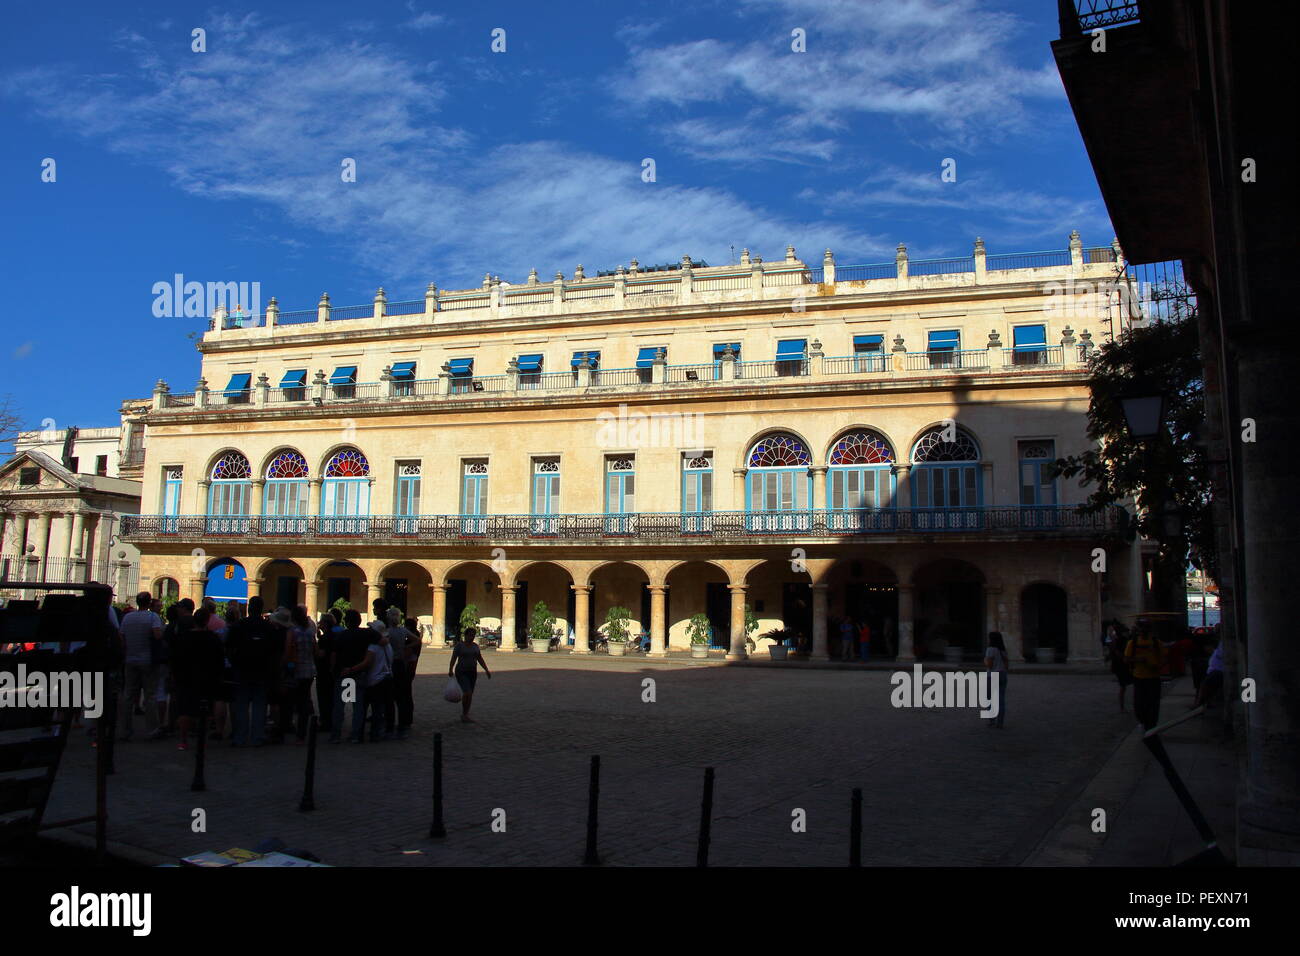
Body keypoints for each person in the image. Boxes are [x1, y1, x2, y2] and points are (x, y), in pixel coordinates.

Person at [172, 607, 226, 750]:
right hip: (207, 678)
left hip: (186, 677)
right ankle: (202, 738)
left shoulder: (183, 638)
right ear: (207, 621)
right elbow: (220, 659)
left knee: (185, 710)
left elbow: (176, 659)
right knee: (206, 710)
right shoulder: (213, 638)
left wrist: (175, 676)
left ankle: (183, 740)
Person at [227, 596, 277, 746]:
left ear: (249, 608)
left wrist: (234, 662)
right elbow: (273, 650)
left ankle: (240, 737)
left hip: (242, 669)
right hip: (262, 669)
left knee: (241, 704)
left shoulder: (239, 625)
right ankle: (257, 736)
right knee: (260, 705)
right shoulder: (268, 627)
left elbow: (229, 647)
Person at [118, 591, 162, 741]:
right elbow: (157, 636)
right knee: (150, 695)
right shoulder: (152, 617)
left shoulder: (128, 617)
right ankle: (152, 729)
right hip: (147, 659)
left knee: (128, 695)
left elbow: (122, 637)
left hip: (130, 659)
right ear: (149, 603)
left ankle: (125, 729)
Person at [341, 623, 393, 742]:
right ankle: (376, 734)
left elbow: (367, 663)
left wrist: (350, 669)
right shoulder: (388, 645)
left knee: (362, 708)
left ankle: (360, 734)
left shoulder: (373, 646)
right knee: (378, 709)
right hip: (385, 678)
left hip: (374, 680)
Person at [331, 609, 371, 743]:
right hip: (358, 672)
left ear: (346, 622)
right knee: (357, 706)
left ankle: (336, 735)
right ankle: (355, 735)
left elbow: (334, 655)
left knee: (339, 706)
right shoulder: (365, 634)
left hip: (344, 674)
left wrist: (333, 670)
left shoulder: (342, 635)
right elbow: (382, 640)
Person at [279, 605, 318, 743]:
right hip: (308, 670)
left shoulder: (292, 631)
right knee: (304, 702)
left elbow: (288, 650)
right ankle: (301, 734)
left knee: (287, 701)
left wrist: (284, 665)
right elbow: (315, 650)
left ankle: (284, 729)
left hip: (294, 670)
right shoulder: (309, 631)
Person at [1125, 622, 1167, 730]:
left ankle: (1151, 724)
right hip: (1139, 677)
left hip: (1153, 677)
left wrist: (1157, 666)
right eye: (1142, 629)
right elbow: (1126, 659)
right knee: (1139, 703)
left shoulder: (1157, 643)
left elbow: (1164, 659)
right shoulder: (1133, 643)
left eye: (1146, 629)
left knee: (1153, 703)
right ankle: (1143, 721)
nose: (1143, 631)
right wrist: (1139, 660)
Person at [449, 626, 491, 722]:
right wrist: (450, 669)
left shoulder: (475, 646)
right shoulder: (460, 646)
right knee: (467, 692)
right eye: (470, 635)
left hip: (472, 672)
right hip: (461, 671)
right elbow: (454, 658)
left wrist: (486, 670)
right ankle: (464, 713)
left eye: (473, 635)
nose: (471, 637)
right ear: (465, 635)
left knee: (470, 693)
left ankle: (466, 714)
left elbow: (479, 658)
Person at [385, 608, 415, 739]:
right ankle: (402, 725)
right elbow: (417, 640)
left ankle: (389, 726)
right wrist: (406, 647)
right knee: (402, 697)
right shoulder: (403, 630)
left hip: (390, 664)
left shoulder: (387, 632)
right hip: (401, 664)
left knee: (389, 697)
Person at [315, 611, 341, 732]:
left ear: (325, 623)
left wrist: (313, 645)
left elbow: (321, 655)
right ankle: (336, 721)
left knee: (324, 698)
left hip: (324, 672)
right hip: (335, 672)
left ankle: (326, 723)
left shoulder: (325, 638)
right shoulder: (335, 636)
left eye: (320, 621)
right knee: (334, 698)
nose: (318, 623)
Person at [1104, 620, 1133, 711]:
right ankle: (1122, 707)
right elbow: (1117, 653)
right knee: (1123, 686)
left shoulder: (1121, 640)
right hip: (1121, 666)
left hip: (1121, 665)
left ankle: (1123, 707)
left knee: (1124, 686)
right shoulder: (1120, 640)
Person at [984, 631, 1010, 728]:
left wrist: (985, 661)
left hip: (993, 675)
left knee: (990, 698)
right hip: (1002, 674)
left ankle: (991, 720)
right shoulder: (1003, 650)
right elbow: (1007, 665)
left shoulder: (990, 649)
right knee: (1001, 699)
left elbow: (989, 665)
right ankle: (1000, 722)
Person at [1195, 640, 1226, 710]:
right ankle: (1201, 702)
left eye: (1206, 647)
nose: (1206, 649)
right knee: (1202, 683)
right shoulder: (1214, 654)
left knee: (1205, 684)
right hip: (1213, 672)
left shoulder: (1218, 652)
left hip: (1217, 672)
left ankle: (1200, 703)